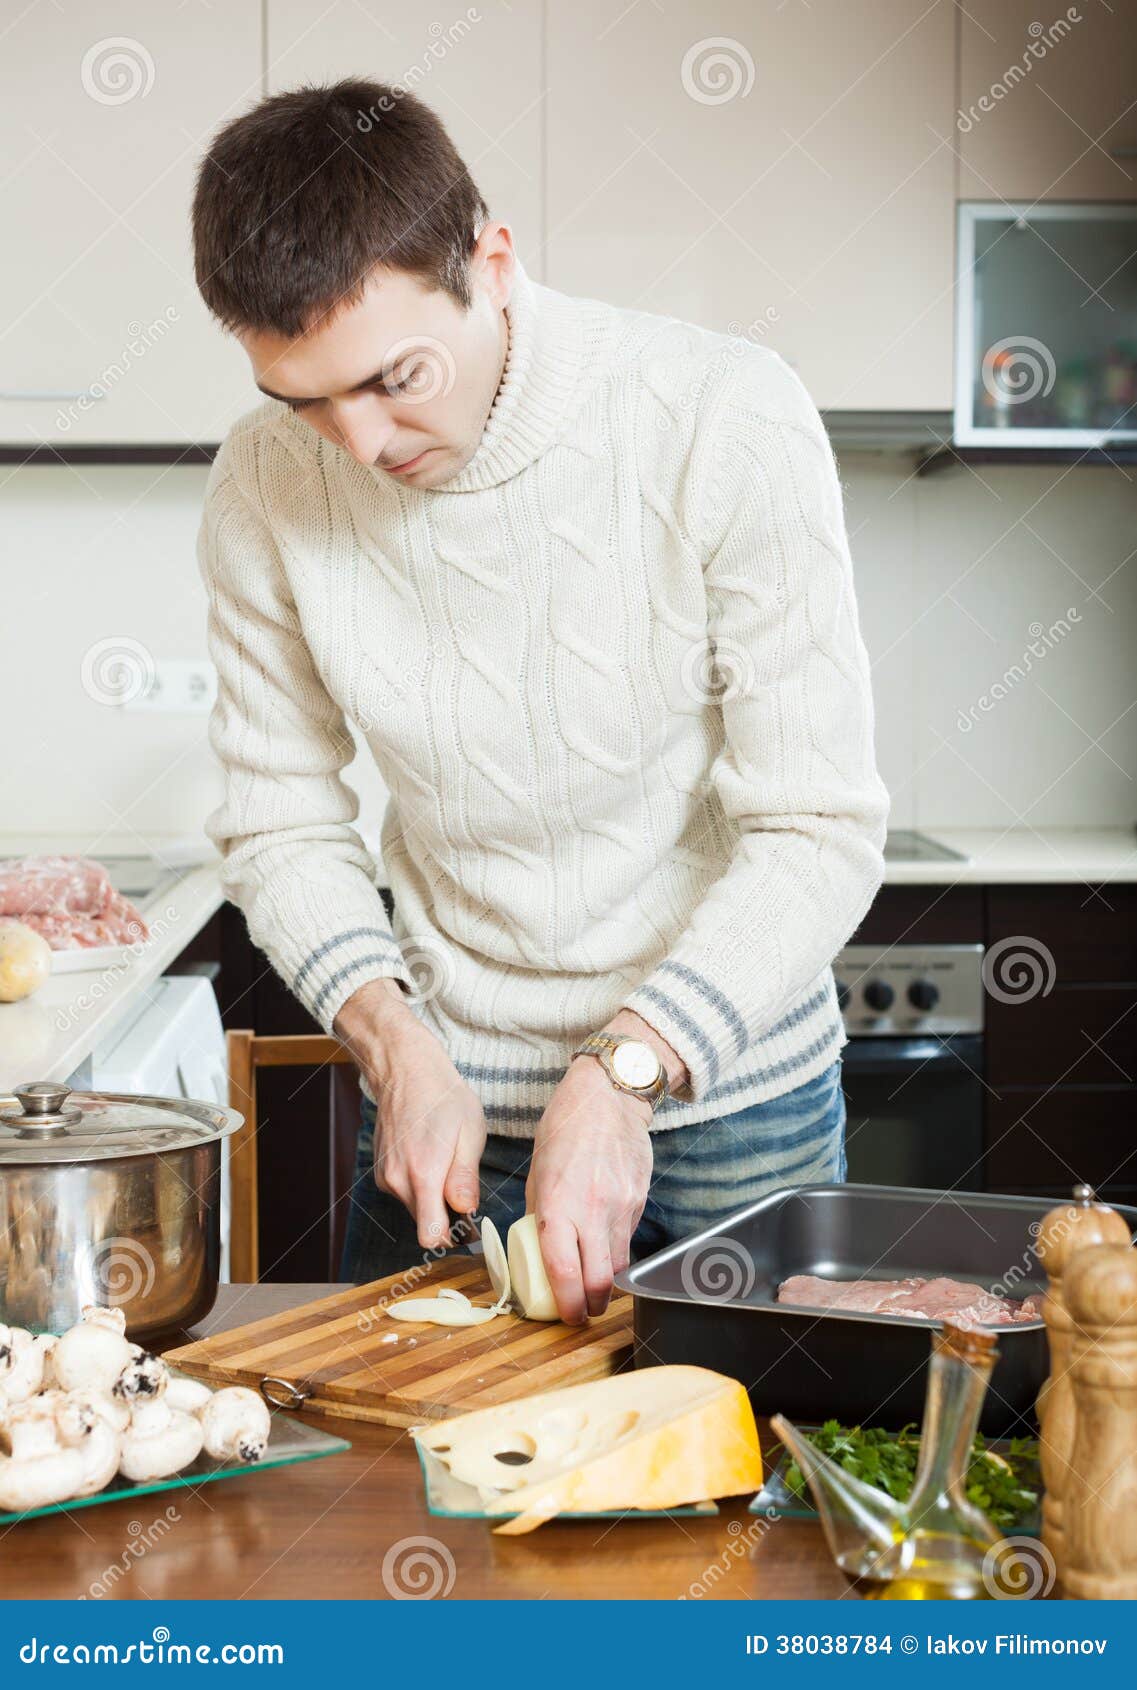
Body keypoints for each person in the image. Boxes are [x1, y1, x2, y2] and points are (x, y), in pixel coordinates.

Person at [192, 80, 888, 1321]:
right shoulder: (262, 483)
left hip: (737, 1104)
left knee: (757, 1486)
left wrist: (623, 1072)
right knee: (404, 1489)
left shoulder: (724, 415)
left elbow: (817, 829)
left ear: (493, 262)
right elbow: (278, 825)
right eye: (304, 400)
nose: (359, 445)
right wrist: (394, 1045)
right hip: (448, 1107)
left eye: (397, 376)